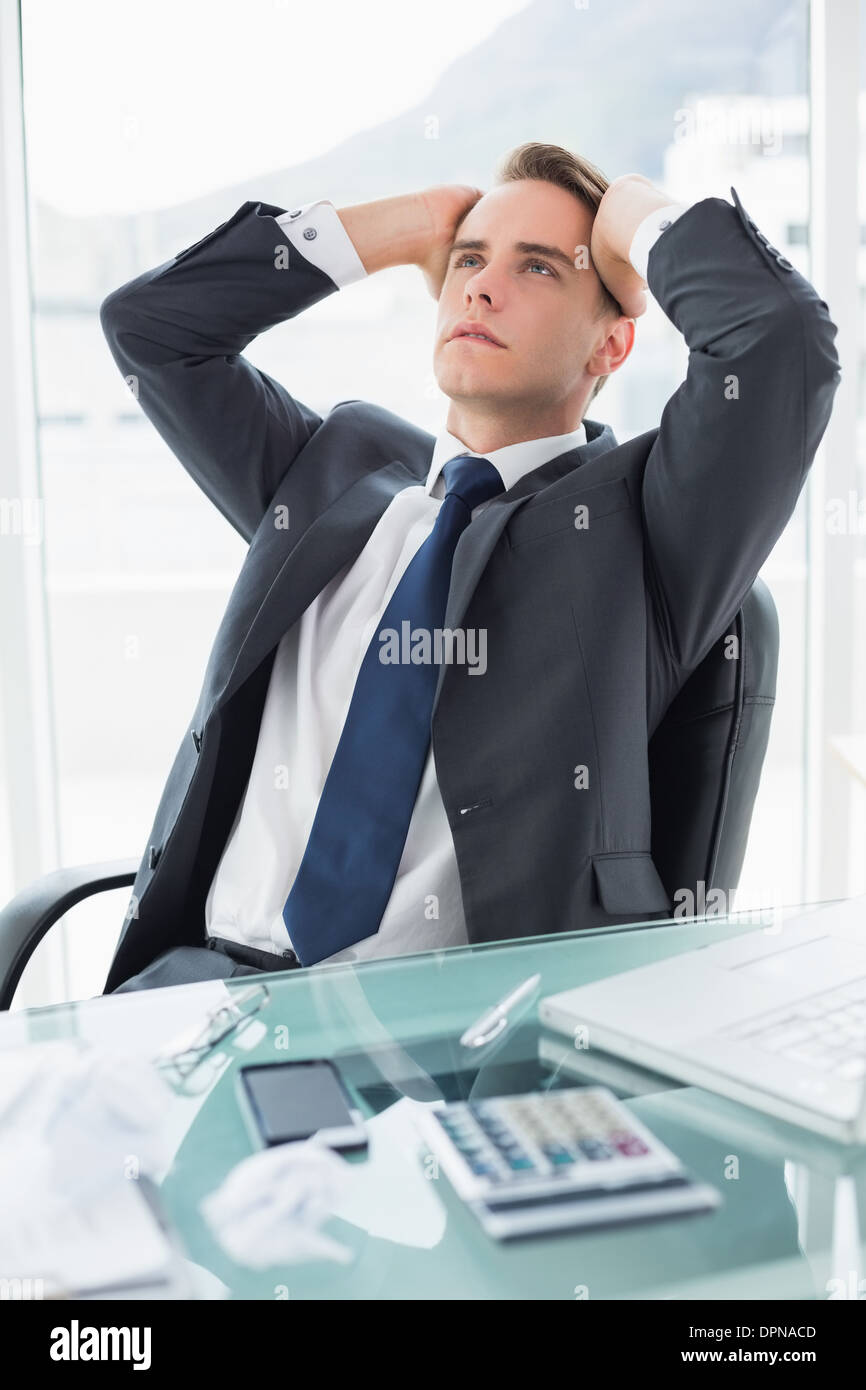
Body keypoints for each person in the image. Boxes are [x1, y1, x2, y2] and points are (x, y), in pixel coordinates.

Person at [98, 142, 840, 994]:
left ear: (613, 346)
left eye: (539, 269)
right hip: (197, 993)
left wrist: (633, 213)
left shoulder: (650, 530)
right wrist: (412, 222)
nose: (483, 287)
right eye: (469, 260)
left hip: (441, 1042)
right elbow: (152, 332)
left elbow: (780, 342)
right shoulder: (329, 472)